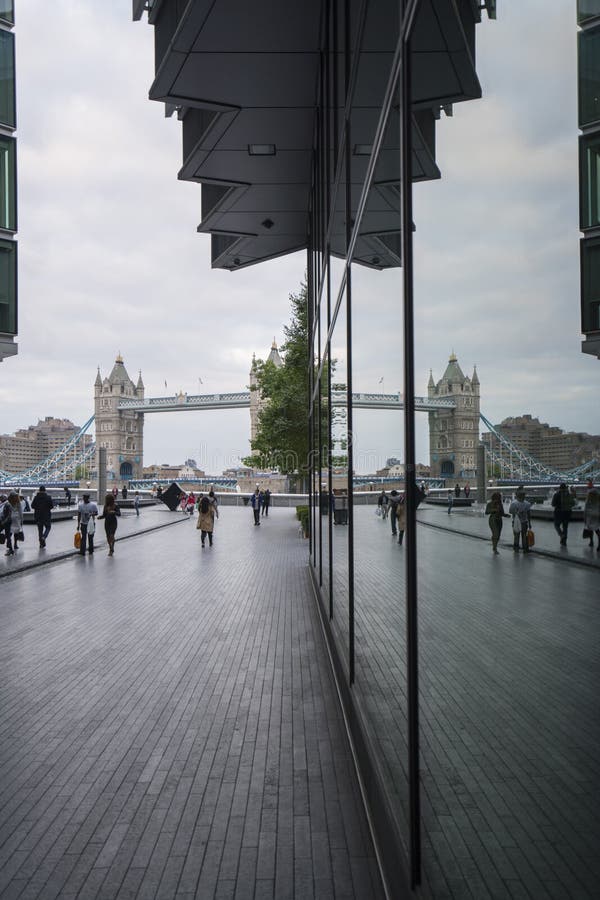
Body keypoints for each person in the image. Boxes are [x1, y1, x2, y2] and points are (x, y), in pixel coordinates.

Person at [1, 492, 23, 556]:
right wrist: (22, 521)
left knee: (9, 533)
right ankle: (15, 544)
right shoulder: (18, 502)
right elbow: (20, 512)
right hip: (16, 518)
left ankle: (9, 546)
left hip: (10, 518)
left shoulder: (8, 502)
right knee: (15, 532)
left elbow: (3, 511)